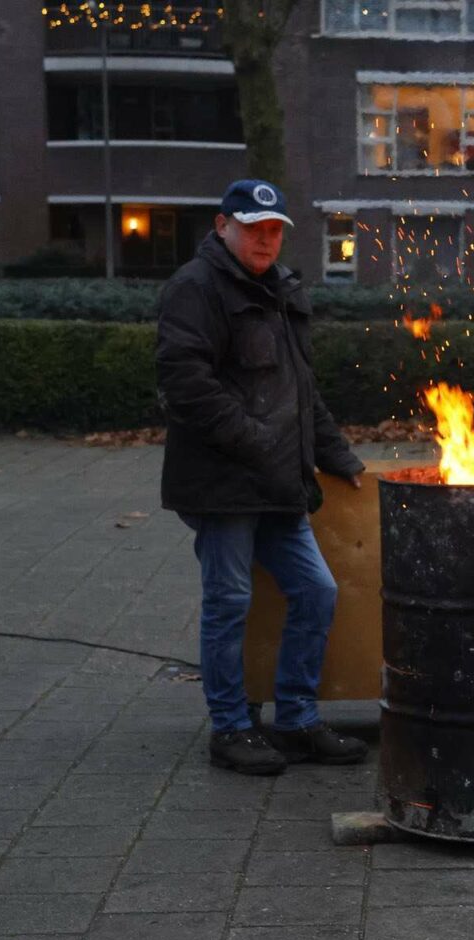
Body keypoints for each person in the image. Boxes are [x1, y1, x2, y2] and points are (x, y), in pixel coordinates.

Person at [157, 179, 368, 776]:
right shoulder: (195, 289)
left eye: (274, 230)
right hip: (223, 485)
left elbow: (301, 392)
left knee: (317, 591)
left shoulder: (281, 290)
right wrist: (257, 444)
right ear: (223, 226)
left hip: (279, 484)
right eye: (253, 228)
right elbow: (186, 385)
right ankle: (231, 728)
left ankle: (297, 720)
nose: (265, 240)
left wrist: (339, 457)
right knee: (229, 602)